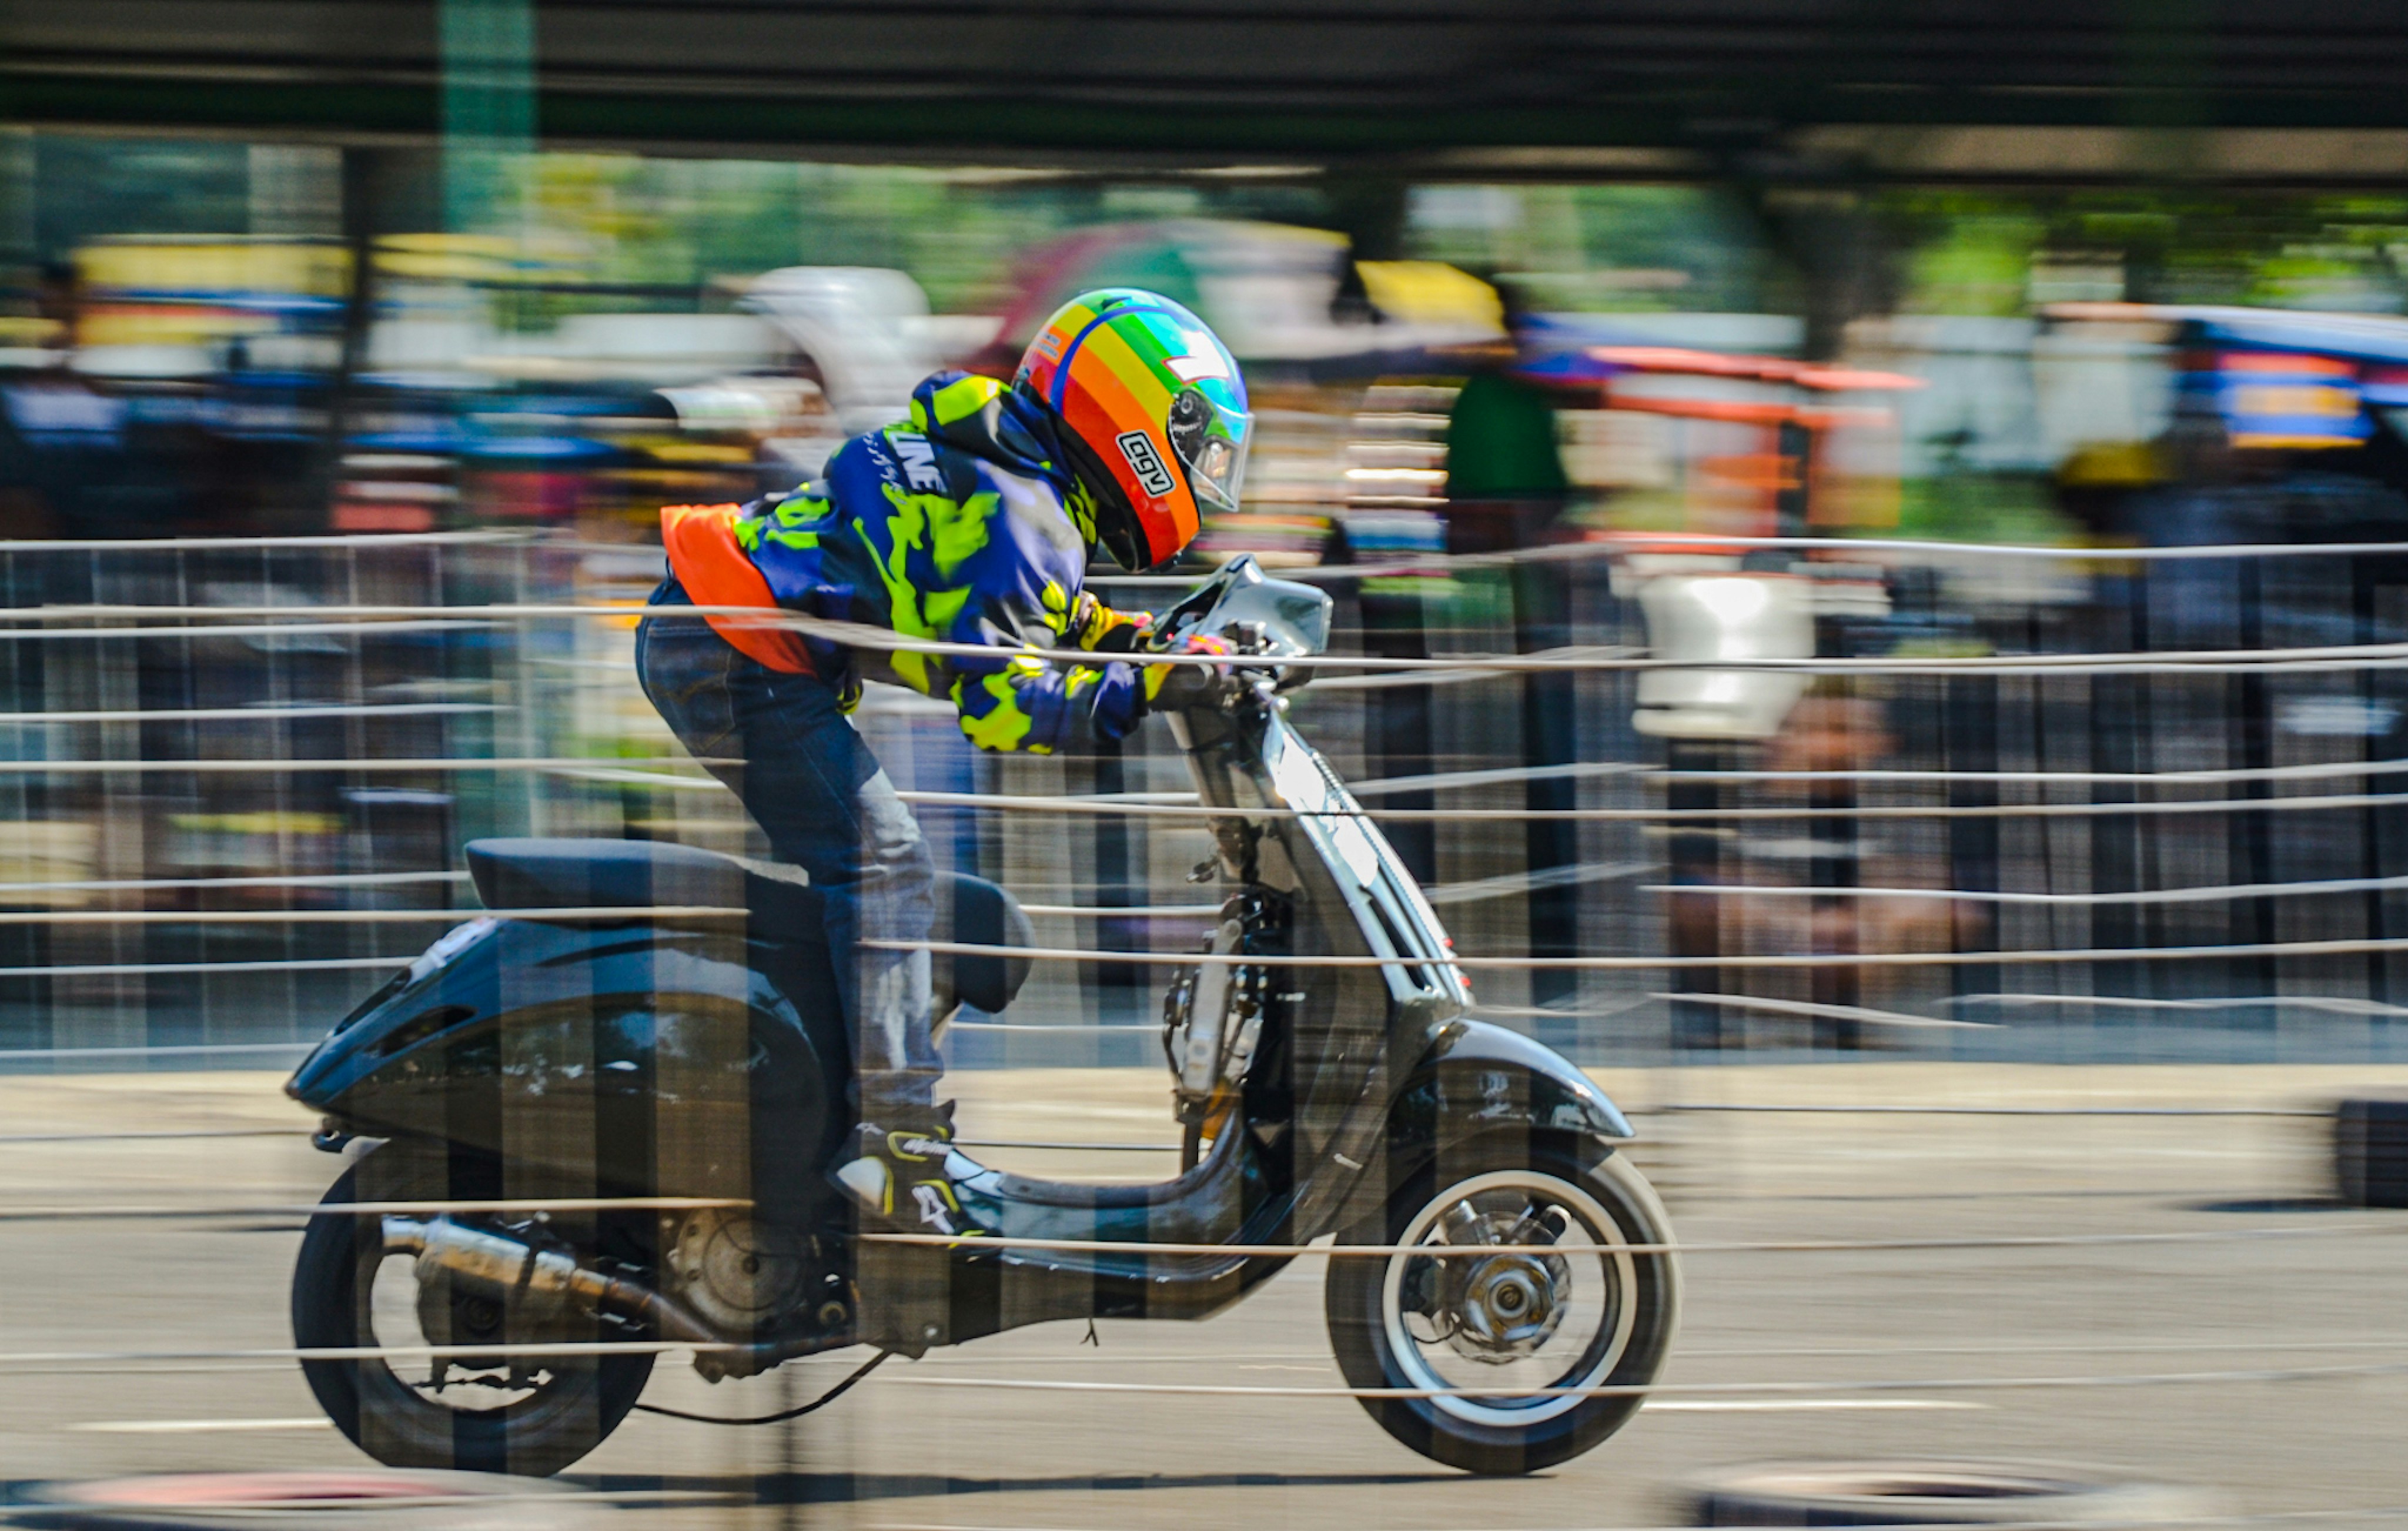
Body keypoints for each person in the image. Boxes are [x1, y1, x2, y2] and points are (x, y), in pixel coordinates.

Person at [636, 289, 1250, 1236]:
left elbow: (1020, 618)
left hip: (716, 628)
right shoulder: (1025, 510)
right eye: (1200, 448)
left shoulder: (1015, 477)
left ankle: (839, 1090)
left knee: (871, 864)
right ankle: (897, 1143)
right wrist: (1146, 687)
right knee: (882, 866)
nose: (1207, 479)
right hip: (728, 649)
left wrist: (1141, 645)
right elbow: (1008, 706)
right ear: (1140, 429)